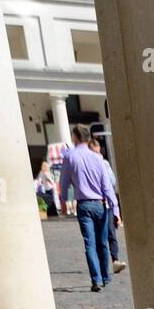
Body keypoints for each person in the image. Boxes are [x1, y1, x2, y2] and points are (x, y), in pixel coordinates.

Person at [58, 122, 119, 292]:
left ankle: (96, 280)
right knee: (102, 243)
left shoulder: (70, 157)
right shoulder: (98, 158)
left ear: (75, 137)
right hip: (100, 204)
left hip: (84, 205)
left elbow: (64, 182)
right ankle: (106, 277)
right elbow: (107, 186)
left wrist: (63, 201)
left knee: (89, 244)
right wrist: (115, 209)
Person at [89, 134, 128, 275]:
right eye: (94, 153)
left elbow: (112, 181)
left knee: (111, 233)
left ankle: (115, 259)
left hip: (108, 203)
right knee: (99, 235)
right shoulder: (89, 166)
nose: (97, 155)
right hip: (97, 203)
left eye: (98, 152)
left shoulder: (104, 163)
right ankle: (102, 263)